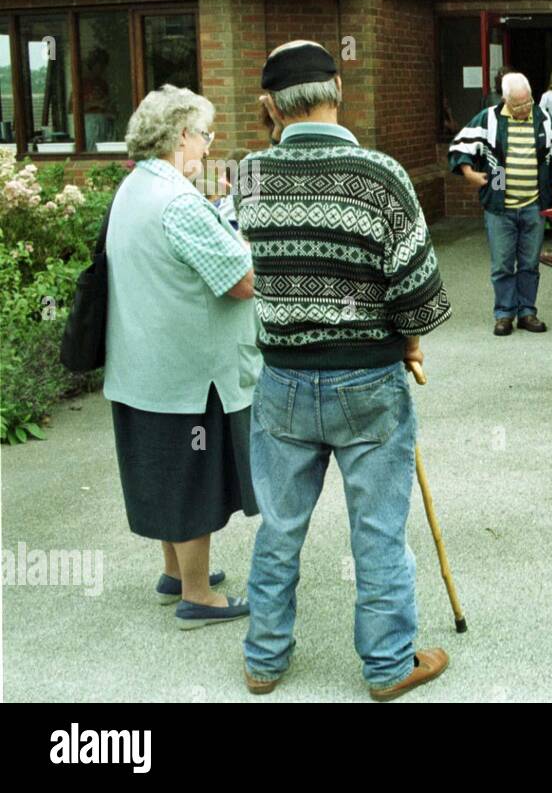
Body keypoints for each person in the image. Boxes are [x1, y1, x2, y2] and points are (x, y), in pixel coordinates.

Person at [236, 40, 453, 701]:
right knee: (379, 527)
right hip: (368, 380)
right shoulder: (381, 174)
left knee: (278, 524)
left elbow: (251, 270)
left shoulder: (245, 176)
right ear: (338, 87)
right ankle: (388, 665)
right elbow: (418, 292)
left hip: (282, 383)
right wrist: (409, 339)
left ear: (268, 105)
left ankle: (264, 660)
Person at [104, 84, 258, 629]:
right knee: (195, 478)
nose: (208, 146)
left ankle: (176, 572)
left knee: (168, 473)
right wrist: (235, 227)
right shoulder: (179, 202)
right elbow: (241, 280)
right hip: (191, 375)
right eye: (206, 135)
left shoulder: (134, 188)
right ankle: (199, 595)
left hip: (143, 369)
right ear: (182, 136)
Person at [449, 71, 552, 335]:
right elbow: (460, 146)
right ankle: (504, 313)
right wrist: (470, 174)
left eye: (527, 102)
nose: (524, 108)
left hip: (534, 204)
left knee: (529, 263)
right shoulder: (489, 119)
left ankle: (527, 312)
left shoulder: (542, 119)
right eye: (518, 105)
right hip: (499, 202)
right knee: (502, 263)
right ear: (505, 99)